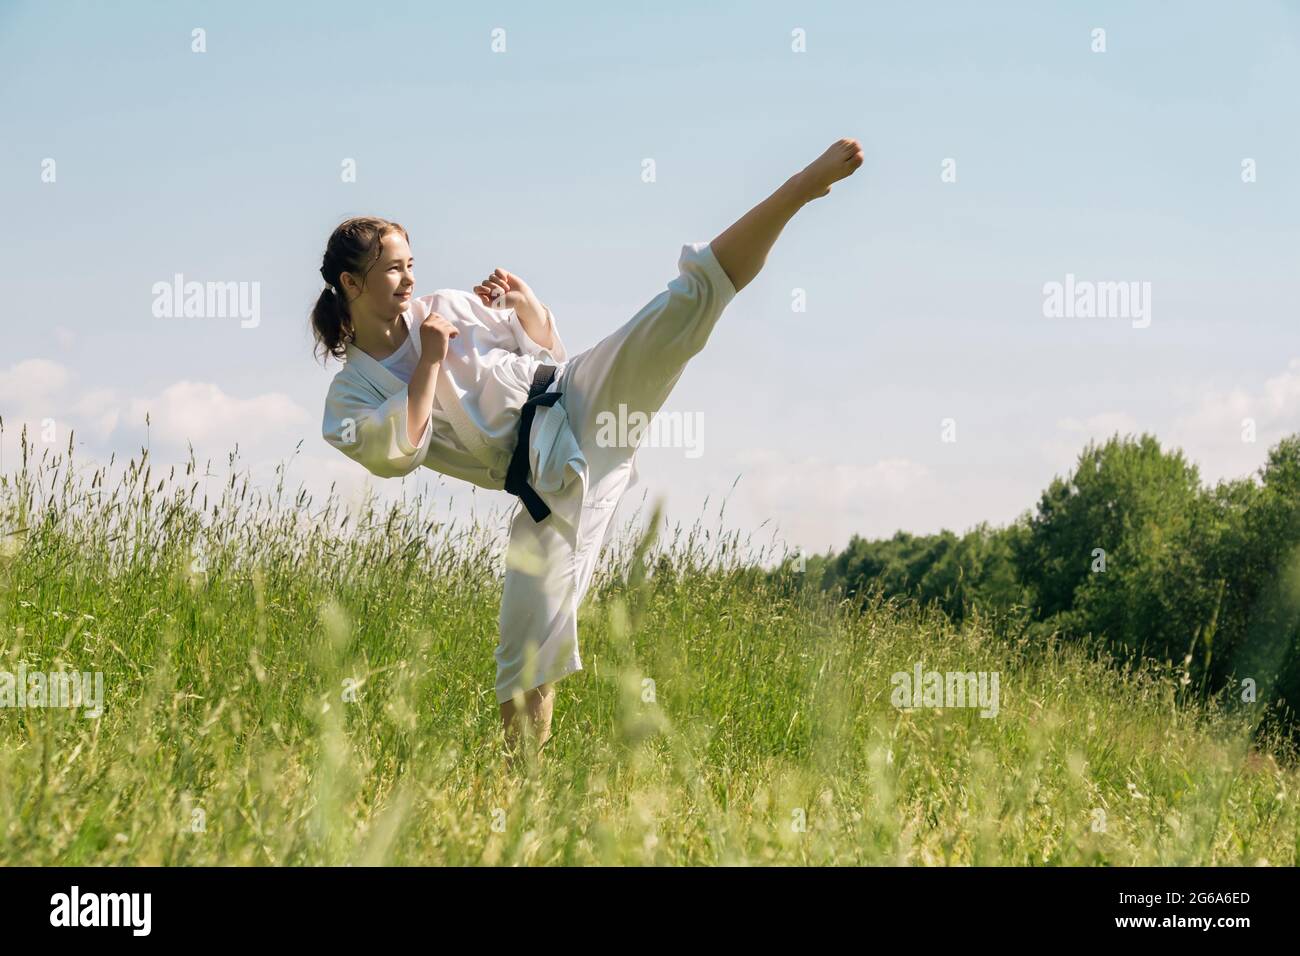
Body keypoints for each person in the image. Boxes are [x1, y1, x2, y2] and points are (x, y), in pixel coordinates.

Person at [313, 138, 864, 762]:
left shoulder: (443, 307)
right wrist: (432, 361)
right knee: (525, 648)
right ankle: (525, 791)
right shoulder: (349, 398)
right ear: (351, 283)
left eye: (411, 263)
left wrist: (526, 307)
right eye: (393, 268)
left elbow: (546, 354)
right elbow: (399, 453)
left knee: (684, 304)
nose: (410, 278)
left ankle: (795, 190)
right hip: (545, 484)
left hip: (579, 399)